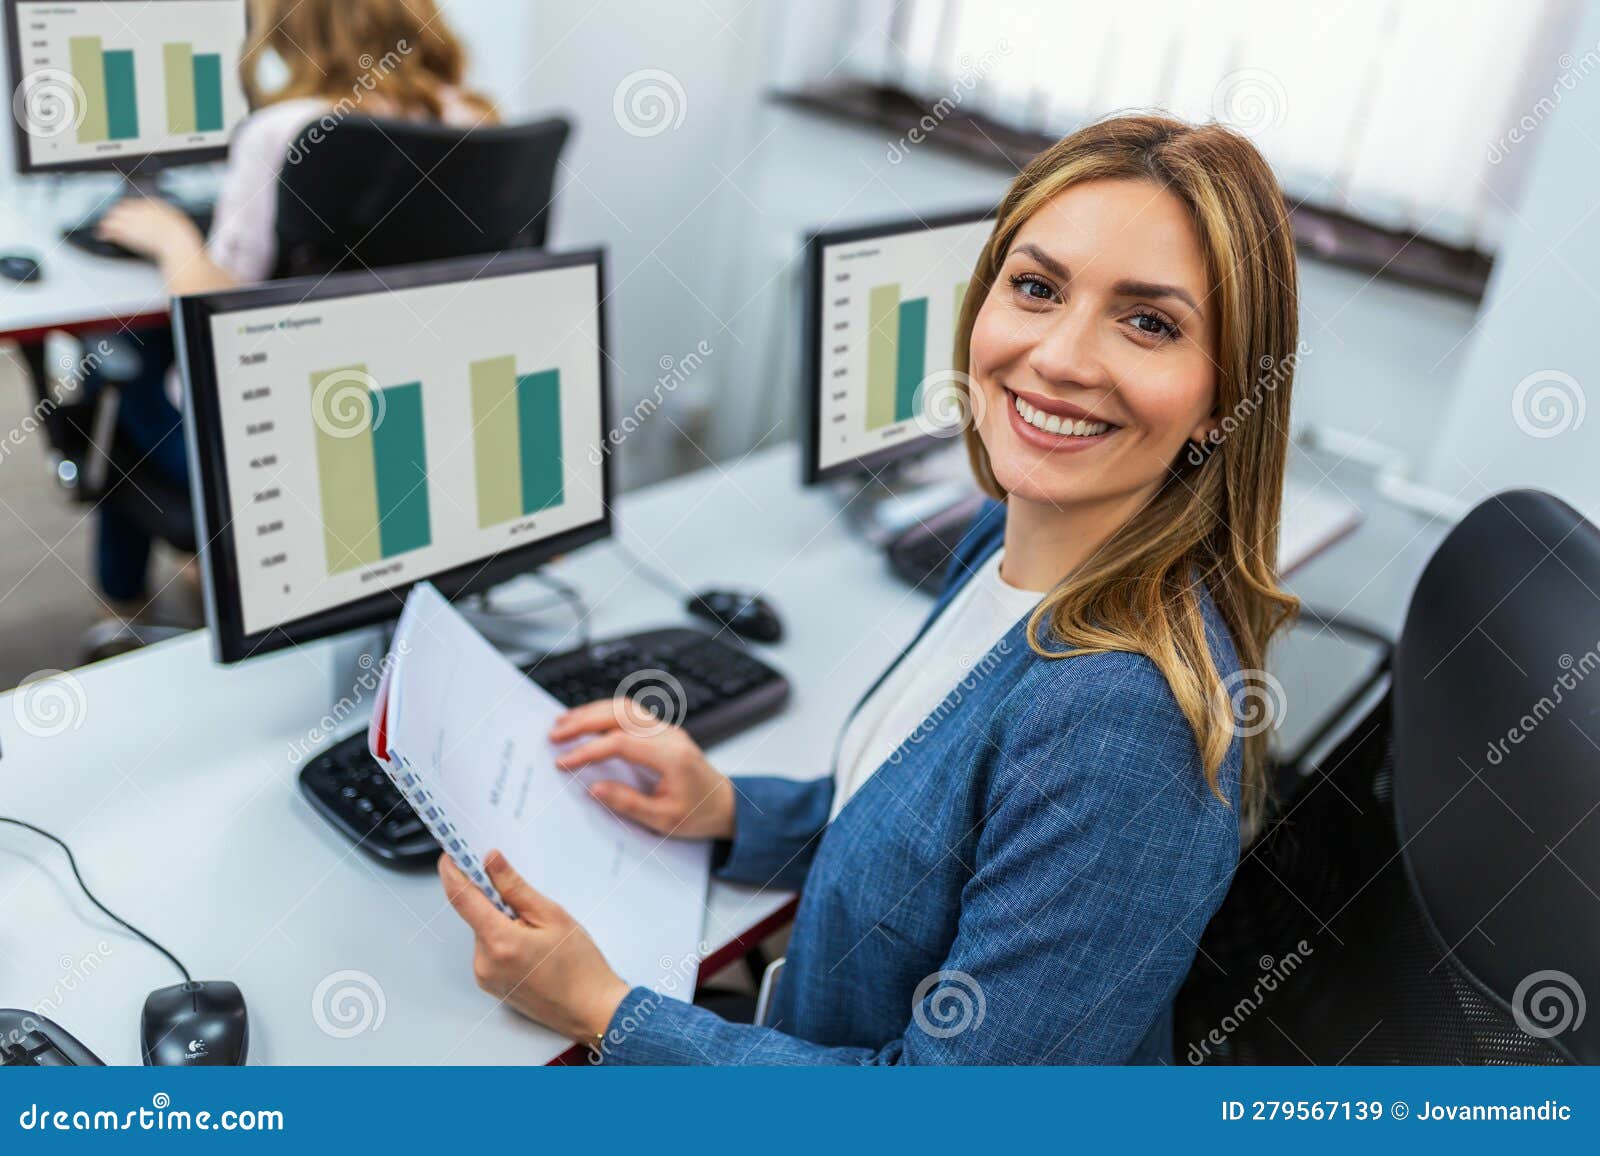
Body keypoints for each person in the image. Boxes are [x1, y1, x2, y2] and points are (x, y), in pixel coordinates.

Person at [440, 113, 1302, 1064]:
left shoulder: (1123, 721)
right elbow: (926, 836)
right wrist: (729, 808)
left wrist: (606, 1012)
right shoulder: (1009, 534)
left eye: (1149, 322)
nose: (1060, 357)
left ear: (1226, 396)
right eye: (1036, 287)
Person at [83, 0, 495, 630]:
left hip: (274, 453)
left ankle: (125, 597)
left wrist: (173, 240)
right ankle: (208, 567)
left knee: (117, 351)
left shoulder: (286, 130)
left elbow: (217, 308)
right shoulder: (478, 119)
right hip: (416, 439)